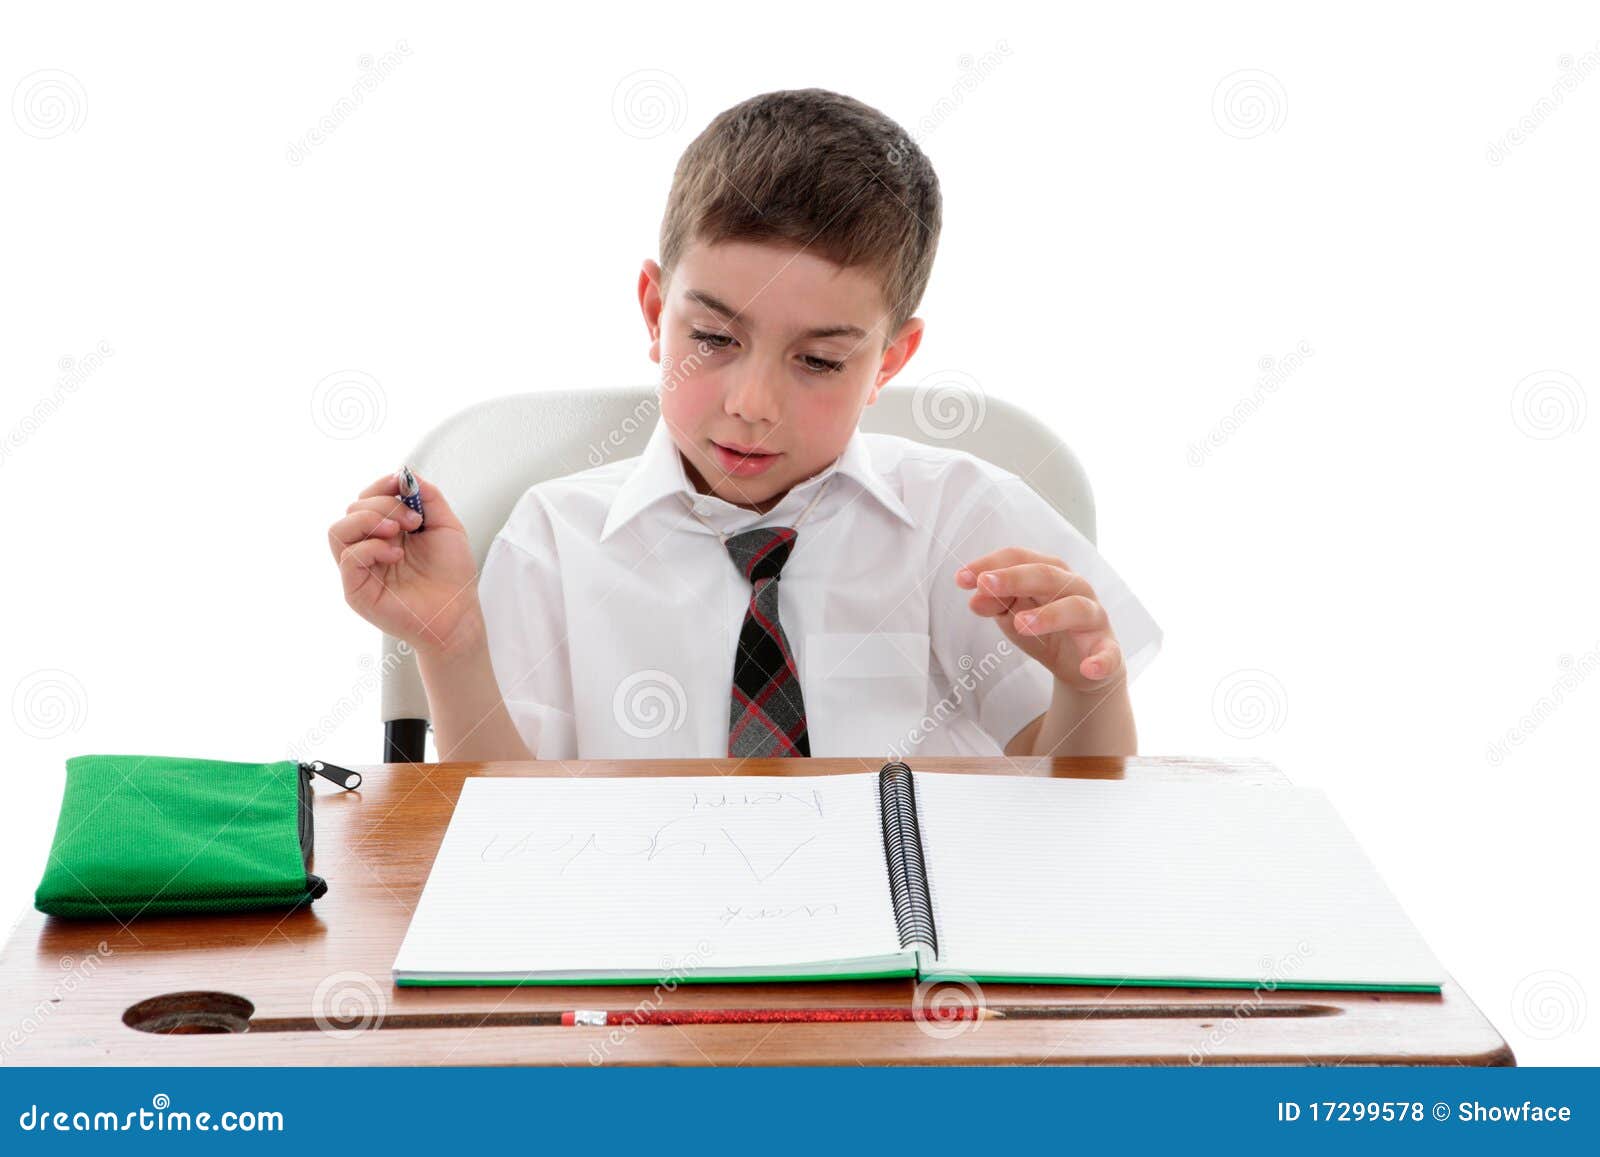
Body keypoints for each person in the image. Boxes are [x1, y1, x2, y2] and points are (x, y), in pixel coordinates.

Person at [327, 89, 1161, 762]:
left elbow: (1076, 800)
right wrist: (453, 645)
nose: (752, 403)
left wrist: (1090, 686)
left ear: (892, 361)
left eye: (820, 361)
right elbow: (499, 820)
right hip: (633, 952)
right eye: (716, 339)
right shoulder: (555, 537)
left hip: (918, 958)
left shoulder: (957, 518)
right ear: (656, 311)